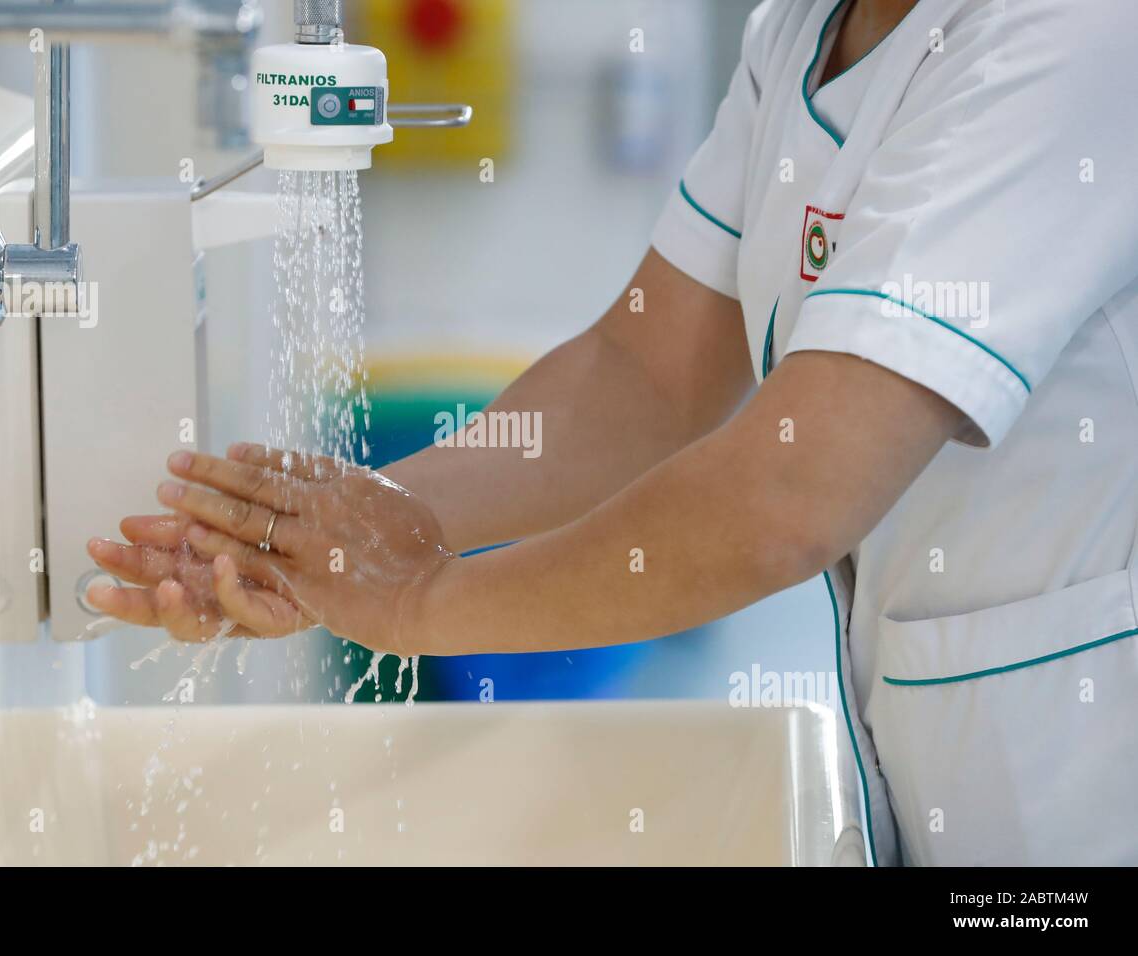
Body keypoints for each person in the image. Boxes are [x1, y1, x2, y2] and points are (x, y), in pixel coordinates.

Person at [87, 0, 1138, 866]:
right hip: (951, 789)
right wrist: (342, 528)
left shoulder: (1064, 33)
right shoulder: (798, 34)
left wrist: (420, 600)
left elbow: (789, 496)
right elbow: (641, 373)